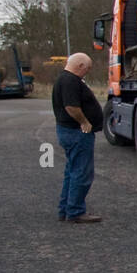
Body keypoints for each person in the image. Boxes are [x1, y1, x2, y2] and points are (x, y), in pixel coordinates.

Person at [53, 52, 103, 223]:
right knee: (81, 173)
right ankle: (75, 211)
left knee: (72, 171)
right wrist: (84, 122)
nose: (87, 72)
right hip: (76, 133)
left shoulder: (64, 79)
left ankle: (65, 209)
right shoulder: (70, 81)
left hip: (68, 131)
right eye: (87, 69)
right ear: (80, 66)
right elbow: (71, 107)